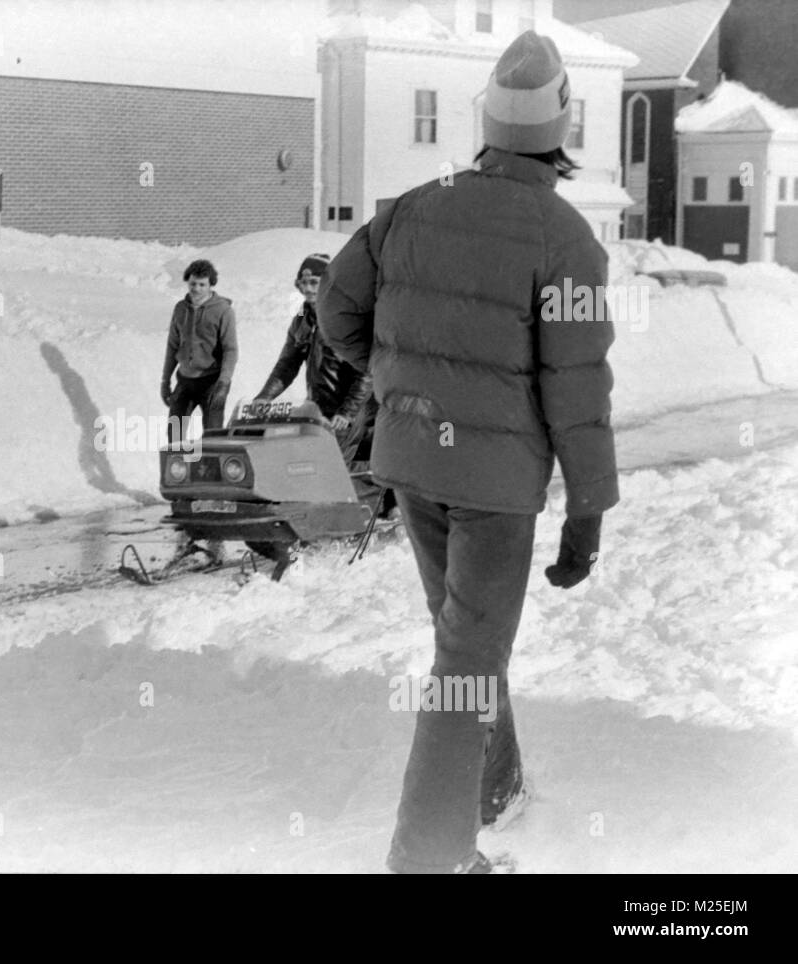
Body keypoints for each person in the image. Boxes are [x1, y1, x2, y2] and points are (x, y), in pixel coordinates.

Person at [318, 30, 618, 873]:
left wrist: (404, 376)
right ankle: (432, 858)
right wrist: (587, 509)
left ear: (486, 120)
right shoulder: (566, 242)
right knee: (466, 660)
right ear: (560, 129)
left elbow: (339, 319)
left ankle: (494, 790)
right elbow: (577, 391)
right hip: (495, 490)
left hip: (416, 466)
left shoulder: (410, 208)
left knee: (464, 642)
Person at [253, 252, 374, 462]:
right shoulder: (302, 319)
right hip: (318, 410)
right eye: (303, 283)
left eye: (314, 282)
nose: (307, 288)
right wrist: (265, 397)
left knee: (332, 467)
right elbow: (287, 365)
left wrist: (347, 412)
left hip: (349, 413)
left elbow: (365, 371)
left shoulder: (348, 318)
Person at [160, 259, 237, 443]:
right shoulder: (180, 309)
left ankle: (212, 471)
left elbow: (230, 349)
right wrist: (165, 380)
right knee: (174, 435)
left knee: (213, 437)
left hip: (211, 382)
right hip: (185, 381)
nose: (196, 288)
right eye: (192, 283)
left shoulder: (223, 311)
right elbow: (172, 345)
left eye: (202, 284)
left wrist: (224, 382)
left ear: (211, 285)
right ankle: (177, 471)